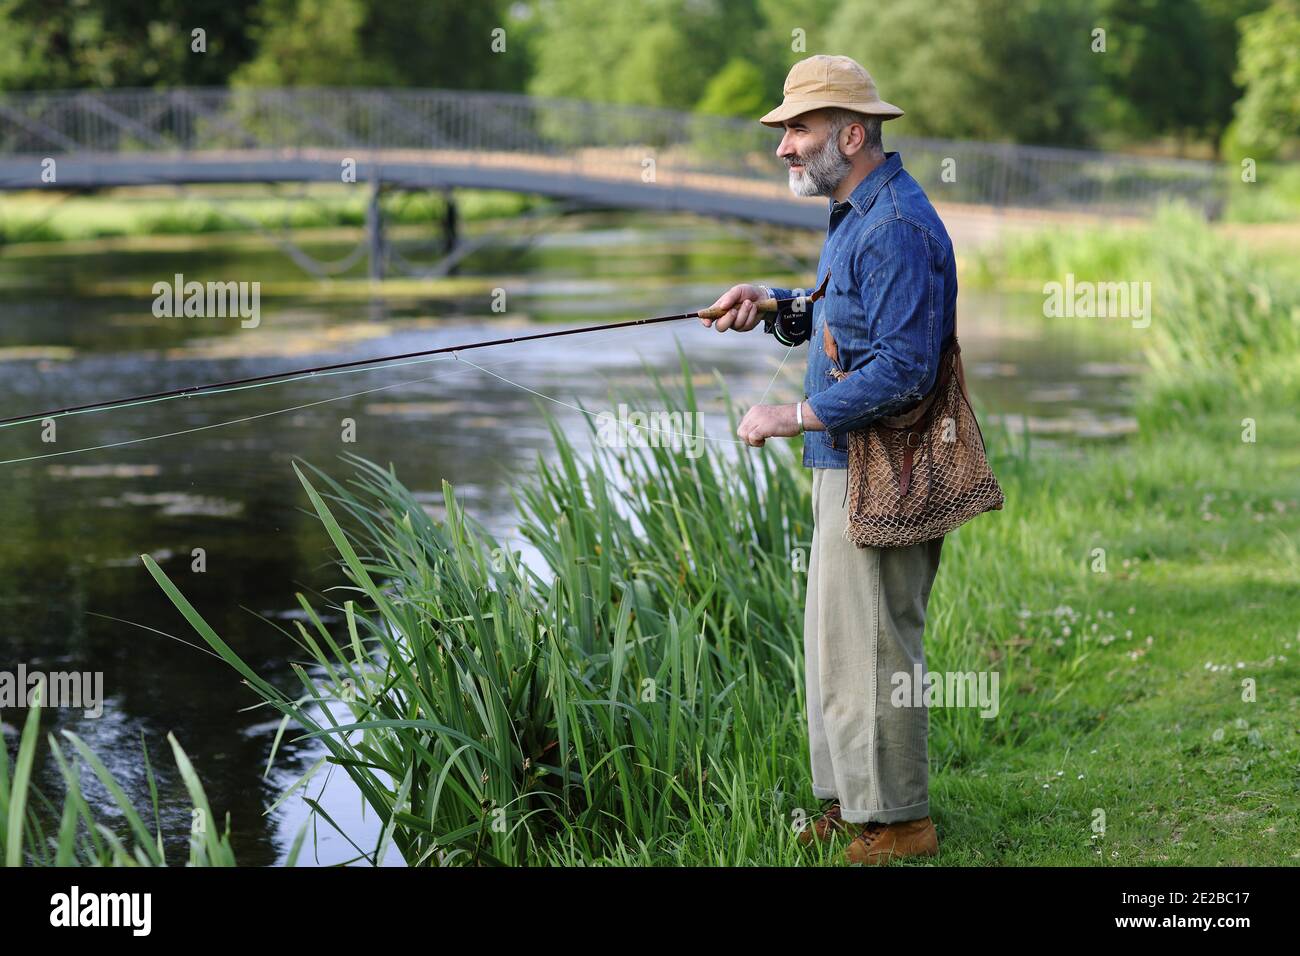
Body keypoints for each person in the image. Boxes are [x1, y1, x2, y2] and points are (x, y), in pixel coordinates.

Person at [703, 54, 956, 866]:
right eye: (783, 131)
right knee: (839, 644)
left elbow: (905, 366)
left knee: (876, 646)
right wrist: (774, 301)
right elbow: (846, 310)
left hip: (886, 466)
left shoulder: (897, 227)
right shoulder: (857, 212)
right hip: (849, 461)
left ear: (852, 134)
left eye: (798, 129)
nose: (783, 146)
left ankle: (903, 824)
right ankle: (855, 807)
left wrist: (791, 413)